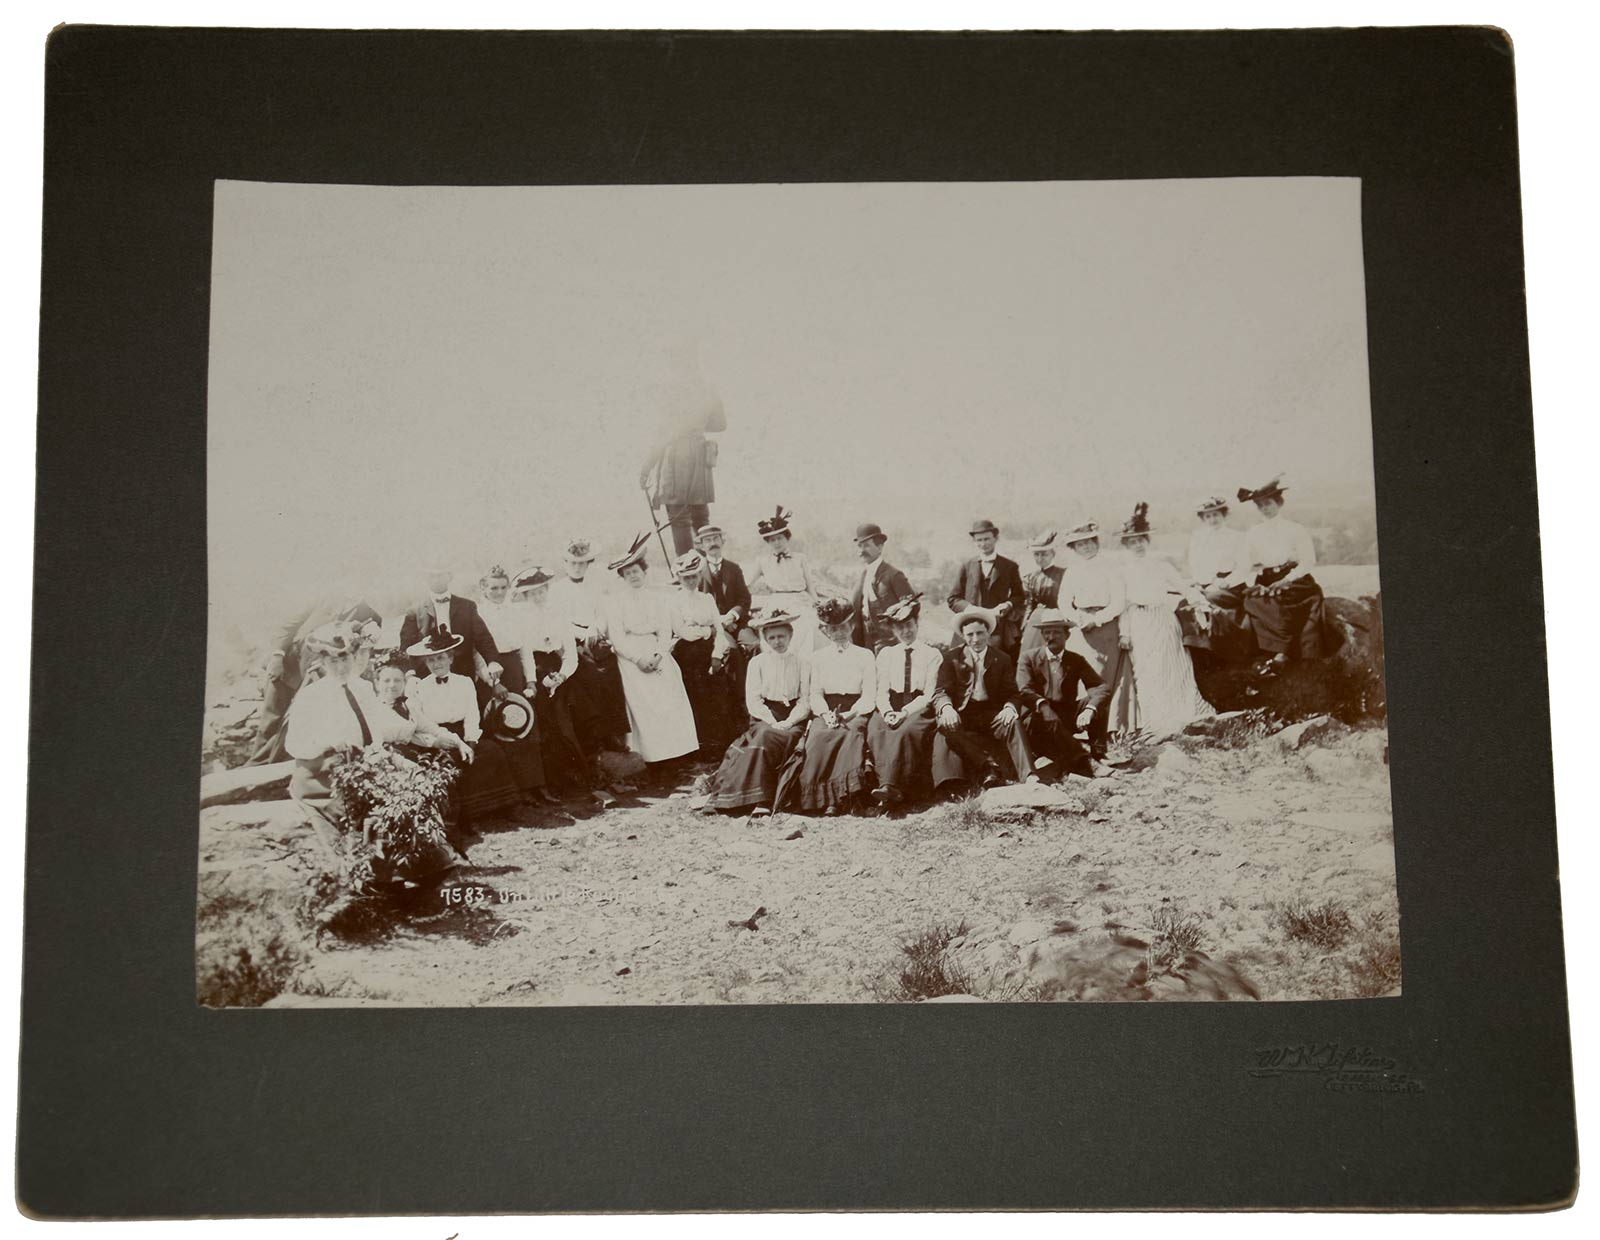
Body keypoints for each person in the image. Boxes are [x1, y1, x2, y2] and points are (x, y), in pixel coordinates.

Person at [283, 622, 417, 853]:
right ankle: (369, 872)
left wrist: (388, 757)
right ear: (323, 663)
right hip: (322, 774)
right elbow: (294, 745)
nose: (340, 667)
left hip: (360, 765)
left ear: (353, 658)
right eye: (333, 661)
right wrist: (327, 743)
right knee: (358, 809)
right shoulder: (310, 696)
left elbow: (377, 730)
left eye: (344, 659)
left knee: (400, 796)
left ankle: (402, 867)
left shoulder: (363, 688)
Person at [405, 627, 537, 822]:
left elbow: (471, 714)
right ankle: (468, 816)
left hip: (466, 733)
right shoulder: (420, 688)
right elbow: (422, 724)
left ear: (450, 659)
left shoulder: (465, 682)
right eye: (431, 660)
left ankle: (504, 807)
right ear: (426, 663)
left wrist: (471, 741)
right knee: (450, 761)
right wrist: (446, 741)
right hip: (439, 737)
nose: (436, 664)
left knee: (492, 751)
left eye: (440, 658)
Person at [1115, 503, 1217, 736]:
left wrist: (1201, 603)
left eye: (1141, 539)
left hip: (1162, 619)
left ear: (1147, 541)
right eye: (1132, 541)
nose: (1138, 545)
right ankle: (1156, 721)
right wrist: (1125, 632)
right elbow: (1123, 604)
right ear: (1126, 545)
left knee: (1173, 667)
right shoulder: (1122, 571)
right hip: (1139, 622)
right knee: (1147, 671)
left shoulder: (1161, 566)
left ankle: (1185, 715)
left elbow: (1184, 588)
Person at [247, 594, 381, 765]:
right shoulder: (319, 599)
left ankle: (274, 767)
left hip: (321, 675)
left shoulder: (370, 616)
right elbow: (287, 627)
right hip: (288, 665)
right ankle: (254, 766)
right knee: (270, 719)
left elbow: (358, 656)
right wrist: (277, 656)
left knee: (292, 723)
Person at [704, 608, 810, 814]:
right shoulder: (757, 663)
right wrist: (771, 721)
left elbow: (805, 700)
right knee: (764, 736)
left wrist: (788, 722)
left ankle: (765, 799)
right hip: (764, 716)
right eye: (772, 637)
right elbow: (753, 700)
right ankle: (750, 798)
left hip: (794, 717)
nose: (777, 641)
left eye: (781, 636)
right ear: (765, 639)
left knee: (785, 738)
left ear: (790, 636)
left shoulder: (802, 662)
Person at [606, 533, 700, 766]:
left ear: (644, 572)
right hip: (631, 656)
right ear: (623, 577)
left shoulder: (659, 599)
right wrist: (637, 658)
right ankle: (651, 758)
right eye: (628, 574)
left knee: (669, 691)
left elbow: (665, 631)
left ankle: (678, 754)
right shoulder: (616, 603)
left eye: (636, 572)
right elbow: (617, 637)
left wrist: (658, 654)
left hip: (656, 651)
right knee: (643, 702)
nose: (633, 576)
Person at [866, 594, 963, 811]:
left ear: (917, 624)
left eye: (909, 625)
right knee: (877, 730)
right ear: (893, 631)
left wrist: (904, 712)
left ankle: (893, 786)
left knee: (905, 731)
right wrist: (888, 710)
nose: (905, 631)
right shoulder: (886, 654)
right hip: (890, 704)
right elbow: (881, 690)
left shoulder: (932, 654)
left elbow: (929, 693)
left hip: (918, 706)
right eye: (899, 628)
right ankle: (883, 786)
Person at [510, 563, 598, 799]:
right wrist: (535, 681)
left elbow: (570, 651)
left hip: (561, 670)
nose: (538, 596)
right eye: (533, 593)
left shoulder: (558, 613)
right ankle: (554, 783)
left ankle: (582, 777)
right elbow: (525, 653)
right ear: (526, 596)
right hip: (536, 671)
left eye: (542, 591)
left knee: (570, 722)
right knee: (548, 727)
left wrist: (563, 675)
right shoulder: (522, 618)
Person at [784, 598, 877, 814]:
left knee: (851, 735)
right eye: (833, 629)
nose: (839, 633)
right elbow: (815, 693)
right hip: (827, 709)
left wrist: (852, 713)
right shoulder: (817, 658)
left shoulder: (865, 655)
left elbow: (869, 693)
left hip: (856, 708)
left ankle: (843, 798)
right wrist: (825, 714)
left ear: (852, 626)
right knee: (818, 738)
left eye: (843, 627)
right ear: (826, 631)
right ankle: (821, 800)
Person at [933, 611, 1038, 789]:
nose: (976, 639)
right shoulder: (952, 658)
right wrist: (947, 708)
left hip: (990, 712)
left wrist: (1010, 708)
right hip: (963, 713)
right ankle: (988, 765)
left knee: (1013, 722)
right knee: (945, 726)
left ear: (988, 633)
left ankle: (1029, 775)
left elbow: (1012, 693)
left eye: (980, 633)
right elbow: (941, 691)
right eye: (970, 635)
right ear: (963, 636)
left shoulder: (1002, 658)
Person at [548, 537, 632, 756]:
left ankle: (615, 734)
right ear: (565, 564)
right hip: (572, 642)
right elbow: (559, 620)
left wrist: (595, 628)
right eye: (573, 563)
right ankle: (595, 739)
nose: (577, 567)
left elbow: (603, 612)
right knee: (588, 678)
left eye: (581, 563)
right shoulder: (557, 590)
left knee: (611, 674)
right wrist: (581, 633)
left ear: (588, 564)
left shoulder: (596, 586)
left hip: (595, 637)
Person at [1236, 476, 1327, 670]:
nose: (1265, 508)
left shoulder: (1295, 529)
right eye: (1260, 505)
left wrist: (1287, 580)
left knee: (1280, 597)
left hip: (1295, 578)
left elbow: (1308, 561)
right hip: (1266, 578)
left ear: (1279, 503)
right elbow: (1245, 564)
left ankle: (1282, 651)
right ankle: (1260, 653)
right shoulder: (1253, 532)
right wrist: (1249, 583)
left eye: (1268, 503)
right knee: (1252, 599)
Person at [1058, 520, 1127, 758]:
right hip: (1080, 628)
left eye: (1088, 543)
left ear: (1096, 543)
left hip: (1105, 627)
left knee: (1101, 684)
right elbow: (1063, 602)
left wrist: (1097, 619)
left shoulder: (1110, 567)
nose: (1085, 548)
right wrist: (1077, 618)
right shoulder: (1072, 570)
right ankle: (1078, 741)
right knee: (1077, 682)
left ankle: (1100, 746)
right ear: (1074, 548)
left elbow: (1119, 601)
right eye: (1080, 545)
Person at [1014, 609, 1110, 779]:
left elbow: (1101, 687)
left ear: (1067, 636)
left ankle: (1099, 754)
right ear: (1042, 635)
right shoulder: (1028, 658)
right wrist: (1043, 706)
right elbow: (1024, 690)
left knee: (1096, 701)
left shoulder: (1076, 660)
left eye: (1057, 632)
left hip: (1064, 716)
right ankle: (1086, 762)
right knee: (1050, 719)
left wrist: (1090, 709)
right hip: (1037, 720)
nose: (1051, 637)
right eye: (1047, 632)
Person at [669, 549, 737, 757]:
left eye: (694, 576)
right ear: (679, 578)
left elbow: (720, 629)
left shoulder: (707, 599)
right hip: (687, 655)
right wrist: (707, 630)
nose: (690, 581)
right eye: (686, 577)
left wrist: (717, 655)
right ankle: (699, 747)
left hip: (710, 652)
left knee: (717, 694)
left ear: (699, 576)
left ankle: (720, 745)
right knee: (695, 697)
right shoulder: (674, 601)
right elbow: (684, 633)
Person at [640, 400, 727, 555]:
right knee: (700, 517)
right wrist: (697, 425)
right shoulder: (705, 390)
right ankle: (707, 571)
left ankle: (689, 570)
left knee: (681, 520)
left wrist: (646, 468)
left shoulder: (671, 395)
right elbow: (720, 424)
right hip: (699, 462)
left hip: (676, 464)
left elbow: (661, 439)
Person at [695, 523, 752, 741]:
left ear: (722, 541)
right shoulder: (697, 571)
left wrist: (733, 615)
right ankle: (738, 707)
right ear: (701, 545)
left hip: (736, 622)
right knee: (732, 652)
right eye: (707, 540)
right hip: (715, 626)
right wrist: (717, 621)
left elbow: (745, 598)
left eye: (716, 538)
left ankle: (755, 699)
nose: (713, 543)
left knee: (755, 646)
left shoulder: (734, 568)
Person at [398, 564, 500, 687]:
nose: (436, 580)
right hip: (428, 674)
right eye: (432, 576)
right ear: (426, 579)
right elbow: (406, 645)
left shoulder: (467, 607)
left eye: (440, 575)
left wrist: (492, 661)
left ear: (449, 576)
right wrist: (410, 673)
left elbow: (483, 638)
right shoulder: (415, 611)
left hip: (462, 671)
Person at [745, 507, 824, 652]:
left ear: (787, 538)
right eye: (772, 540)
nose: (777, 543)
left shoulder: (800, 558)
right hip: (778, 602)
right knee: (775, 632)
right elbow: (747, 584)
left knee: (808, 627)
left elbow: (810, 585)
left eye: (780, 538)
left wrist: (817, 603)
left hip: (800, 600)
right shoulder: (762, 561)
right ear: (768, 542)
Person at [947, 518, 1026, 661]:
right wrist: (969, 608)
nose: (983, 544)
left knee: (998, 665)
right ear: (974, 542)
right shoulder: (967, 566)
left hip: (997, 628)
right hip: (970, 627)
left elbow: (1019, 596)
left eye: (987, 539)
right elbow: (953, 599)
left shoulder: (1009, 566)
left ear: (996, 538)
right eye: (979, 540)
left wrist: (1007, 605)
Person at [849, 522, 914, 653]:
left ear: (880, 547)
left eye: (866, 546)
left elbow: (911, 608)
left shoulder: (894, 575)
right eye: (859, 546)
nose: (861, 551)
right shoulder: (861, 577)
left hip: (891, 643)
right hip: (865, 642)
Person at [1019, 529, 1067, 654]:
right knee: (1032, 654)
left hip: (1057, 619)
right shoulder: (1030, 577)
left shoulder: (1063, 574)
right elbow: (1030, 604)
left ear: (1053, 554)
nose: (1040, 558)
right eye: (1037, 554)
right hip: (1036, 621)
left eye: (1044, 554)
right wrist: (1025, 627)